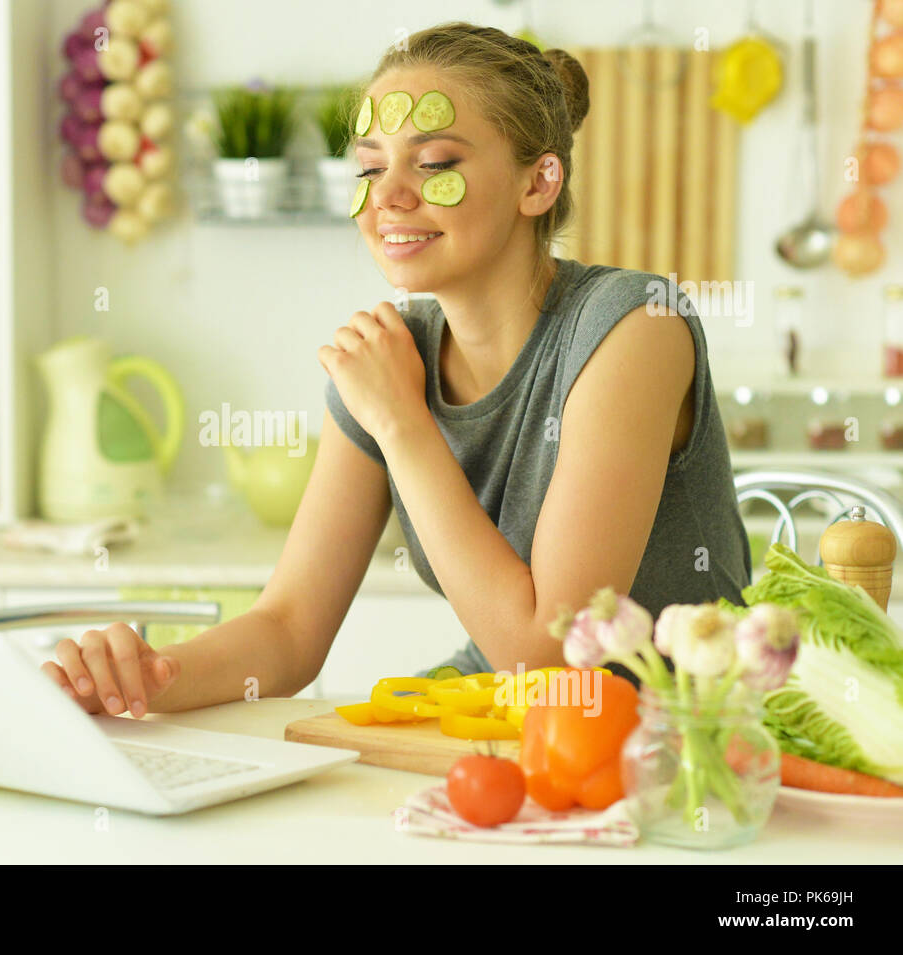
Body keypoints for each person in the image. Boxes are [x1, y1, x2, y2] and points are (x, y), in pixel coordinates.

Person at [41, 21, 750, 717]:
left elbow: (551, 657)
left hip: (686, 731)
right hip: (503, 712)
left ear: (539, 182)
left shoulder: (633, 326)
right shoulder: (393, 357)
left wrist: (402, 423)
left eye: (435, 162)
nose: (388, 195)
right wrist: (139, 678)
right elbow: (288, 630)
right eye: (371, 166)